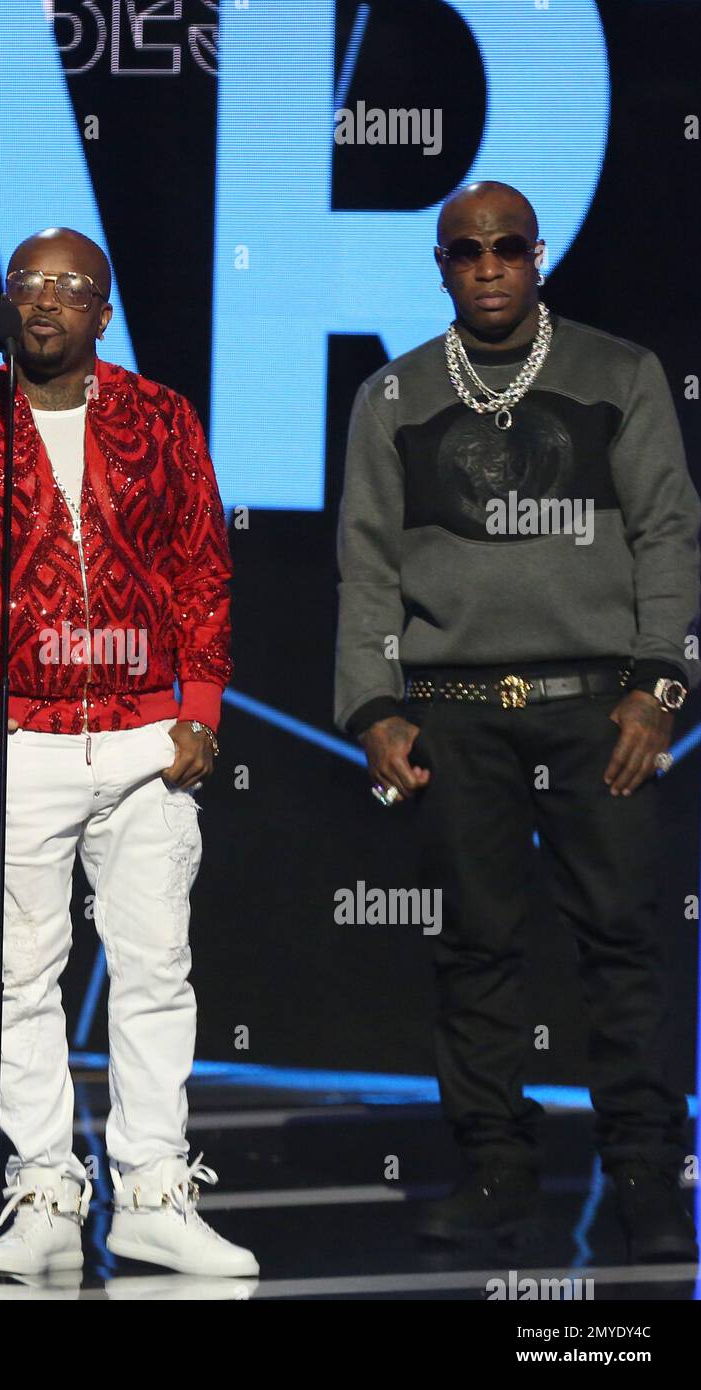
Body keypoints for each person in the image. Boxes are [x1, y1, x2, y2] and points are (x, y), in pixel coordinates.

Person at [0, 227, 257, 1277]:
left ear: (102, 311)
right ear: (5, 303)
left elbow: (201, 569)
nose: (43, 303)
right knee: (21, 977)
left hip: (141, 737)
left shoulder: (158, 418)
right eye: (26, 285)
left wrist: (202, 705)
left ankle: (151, 1189)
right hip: (20, 737)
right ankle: (40, 1184)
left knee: (153, 968)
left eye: (68, 288)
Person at [334, 180, 700, 1263]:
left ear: (537, 256)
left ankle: (644, 1176)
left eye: (504, 247)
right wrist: (371, 707)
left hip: (599, 711)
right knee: (474, 950)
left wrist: (658, 687)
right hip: (453, 714)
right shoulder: (392, 397)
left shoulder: (617, 374)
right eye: (464, 250)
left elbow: (667, 536)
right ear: (439, 265)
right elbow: (367, 565)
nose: (486, 266)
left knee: (622, 941)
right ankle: (495, 1173)